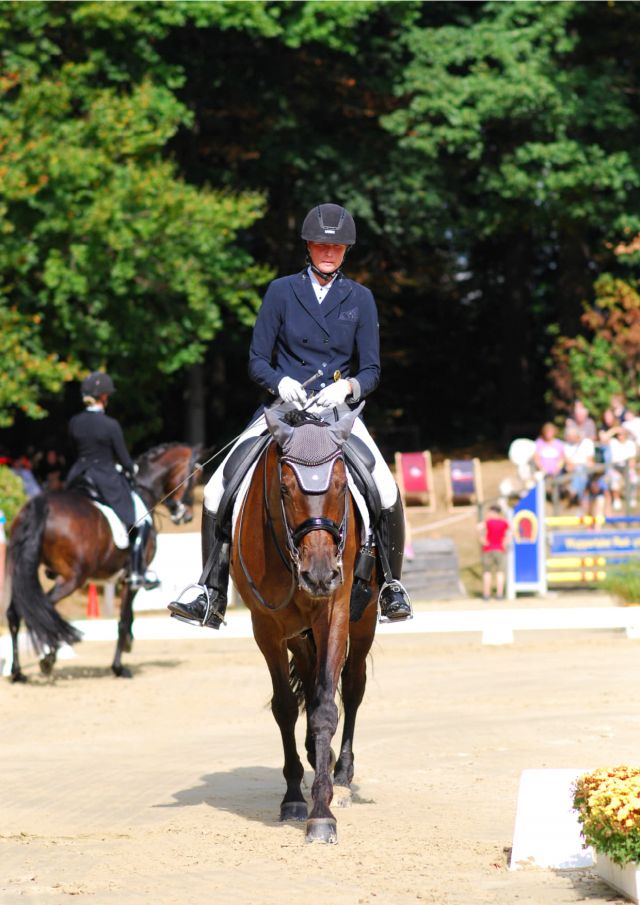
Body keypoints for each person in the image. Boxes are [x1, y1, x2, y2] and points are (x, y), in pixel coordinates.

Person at [169, 202, 413, 629]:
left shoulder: (361, 298)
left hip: (337, 414)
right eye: (322, 243)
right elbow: (257, 359)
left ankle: (391, 585)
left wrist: (348, 387)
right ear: (308, 244)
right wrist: (281, 383)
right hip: (285, 410)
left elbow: (371, 369)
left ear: (346, 250)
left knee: (386, 489)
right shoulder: (282, 291)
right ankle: (211, 591)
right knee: (214, 491)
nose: (329, 251)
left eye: (337, 246)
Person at [65, 371, 159, 590]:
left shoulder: (74, 422)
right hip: (104, 477)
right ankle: (136, 572)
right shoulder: (110, 425)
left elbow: (73, 451)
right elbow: (124, 459)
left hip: (78, 476)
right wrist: (132, 468)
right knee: (140, 520)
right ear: (104, 397)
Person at [476, 505, 510, 601]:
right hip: (500, 549)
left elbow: (478, 527)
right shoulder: (504, 522)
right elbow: (512, 532)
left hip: (488, 549)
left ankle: (486, 594)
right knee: (500, 573)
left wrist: (481, 538)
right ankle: (499, 594)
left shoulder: (488, 522)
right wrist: (505, 542)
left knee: (487, 572)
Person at [563, 424, 595, 507]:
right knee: (579, 471)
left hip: (584, 470)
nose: (569, 438)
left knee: (580, 470)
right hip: (573, 470)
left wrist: (577, 464)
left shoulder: (587, 443)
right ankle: (579, 497)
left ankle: (574, 492)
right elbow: (567, 461)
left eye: (571, 436)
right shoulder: (566, 445)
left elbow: (590, 461)